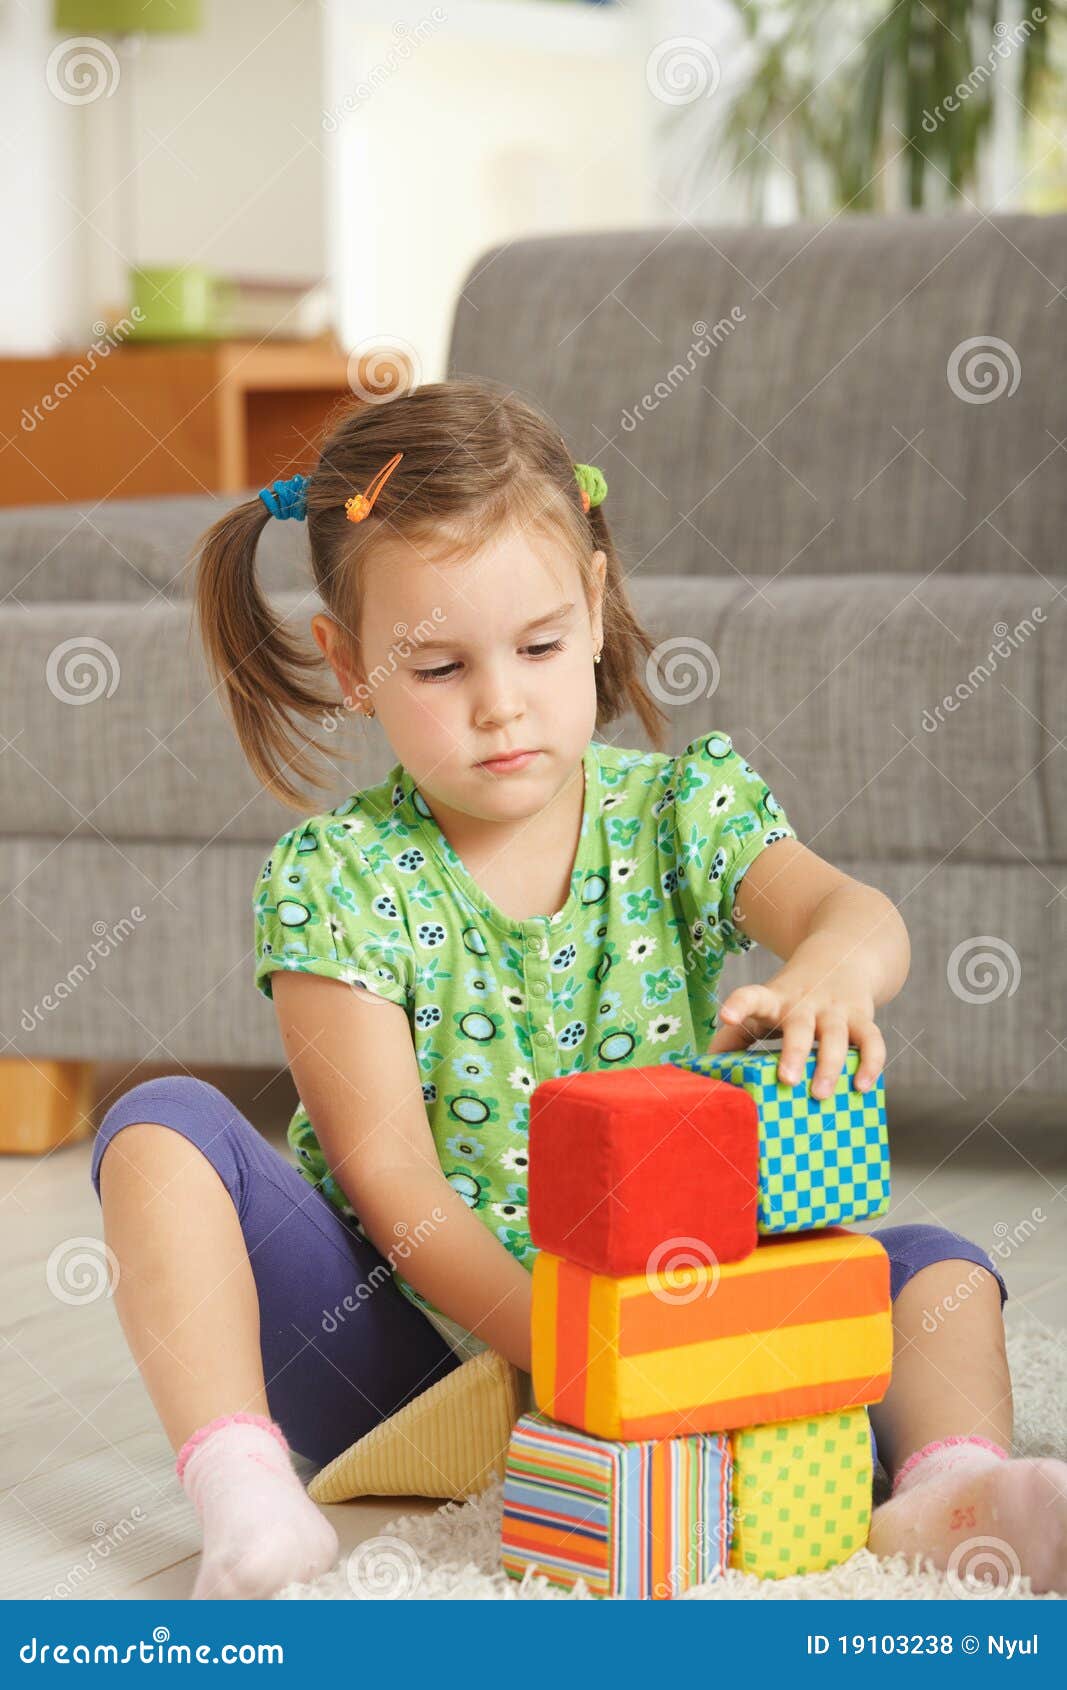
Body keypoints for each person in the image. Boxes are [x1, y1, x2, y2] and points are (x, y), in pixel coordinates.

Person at [89, 379, 1065, 1599]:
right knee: (155, 1128)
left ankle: (939, 1492)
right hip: (410, 1360)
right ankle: (245, 1492)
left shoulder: (677, 811)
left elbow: (850, 915)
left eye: (539, 646)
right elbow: (395, 1186)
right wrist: (579, 1354)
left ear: (595, 609)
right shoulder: (336, 878)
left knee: (936, 1263)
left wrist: (825, 967)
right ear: (348, 664)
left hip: (674, 1327)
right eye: (438, 665)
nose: (501, 704)